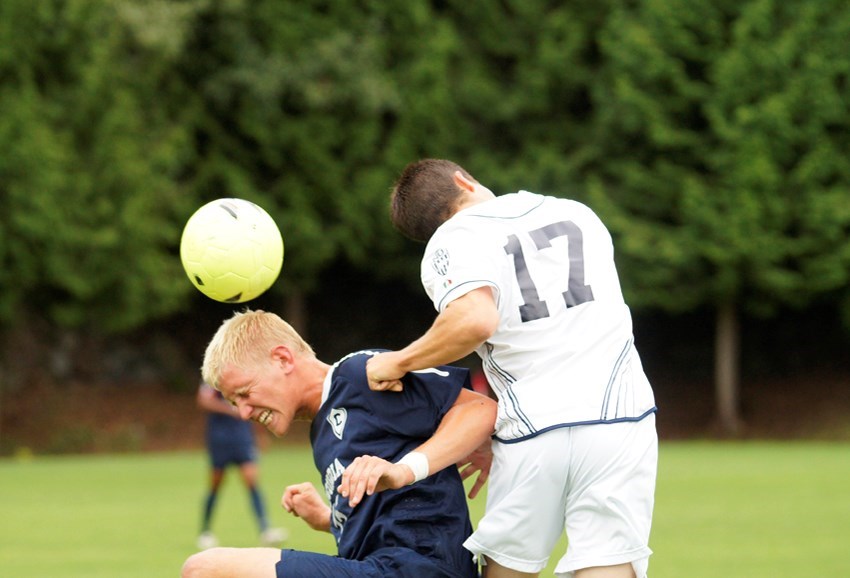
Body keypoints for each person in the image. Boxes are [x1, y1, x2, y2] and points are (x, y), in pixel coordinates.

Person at [366, 159, 658, 578]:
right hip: (620, 417)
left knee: (510, 569)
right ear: (463, 179)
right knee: (606, 563)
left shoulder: (451, 240)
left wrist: (397, 362)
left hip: (534, 427)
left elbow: (475, 320)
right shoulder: (576, 212)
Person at [181, 309, 498, 578]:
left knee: (204, 569)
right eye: (233, 402)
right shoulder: (321, 430)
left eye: (245, 393)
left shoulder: (360, 374)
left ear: (282, 359)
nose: (243, 412)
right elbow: (384, 518)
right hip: (382, 567)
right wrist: (329, 519)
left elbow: (479, 408)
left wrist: (405, 469)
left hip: (419, 568)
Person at [196, 381, 287, 550]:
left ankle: (265, 530)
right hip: (220, 439)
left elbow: (253, 407)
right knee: (215, 485)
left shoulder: (244, 380)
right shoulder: (214, 379)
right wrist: (230, 409)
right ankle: (205, 532)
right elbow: (204, 400)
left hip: (242, 438)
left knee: (252, 482)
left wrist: (260, 434)